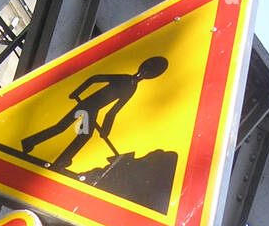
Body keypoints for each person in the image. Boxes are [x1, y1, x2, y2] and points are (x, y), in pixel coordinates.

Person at [21, 57, 169, 170]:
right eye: (146, 70)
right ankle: (55, 156)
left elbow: (113, 110)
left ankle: (35, 145)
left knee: (70, 130)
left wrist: (106, 130)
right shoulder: (126, 80)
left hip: (91, 108)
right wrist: (76, 92)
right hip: (87, 106)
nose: (143, 74)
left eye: (149, 73)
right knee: (71, 131)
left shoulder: (131, 86)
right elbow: (95, 79)